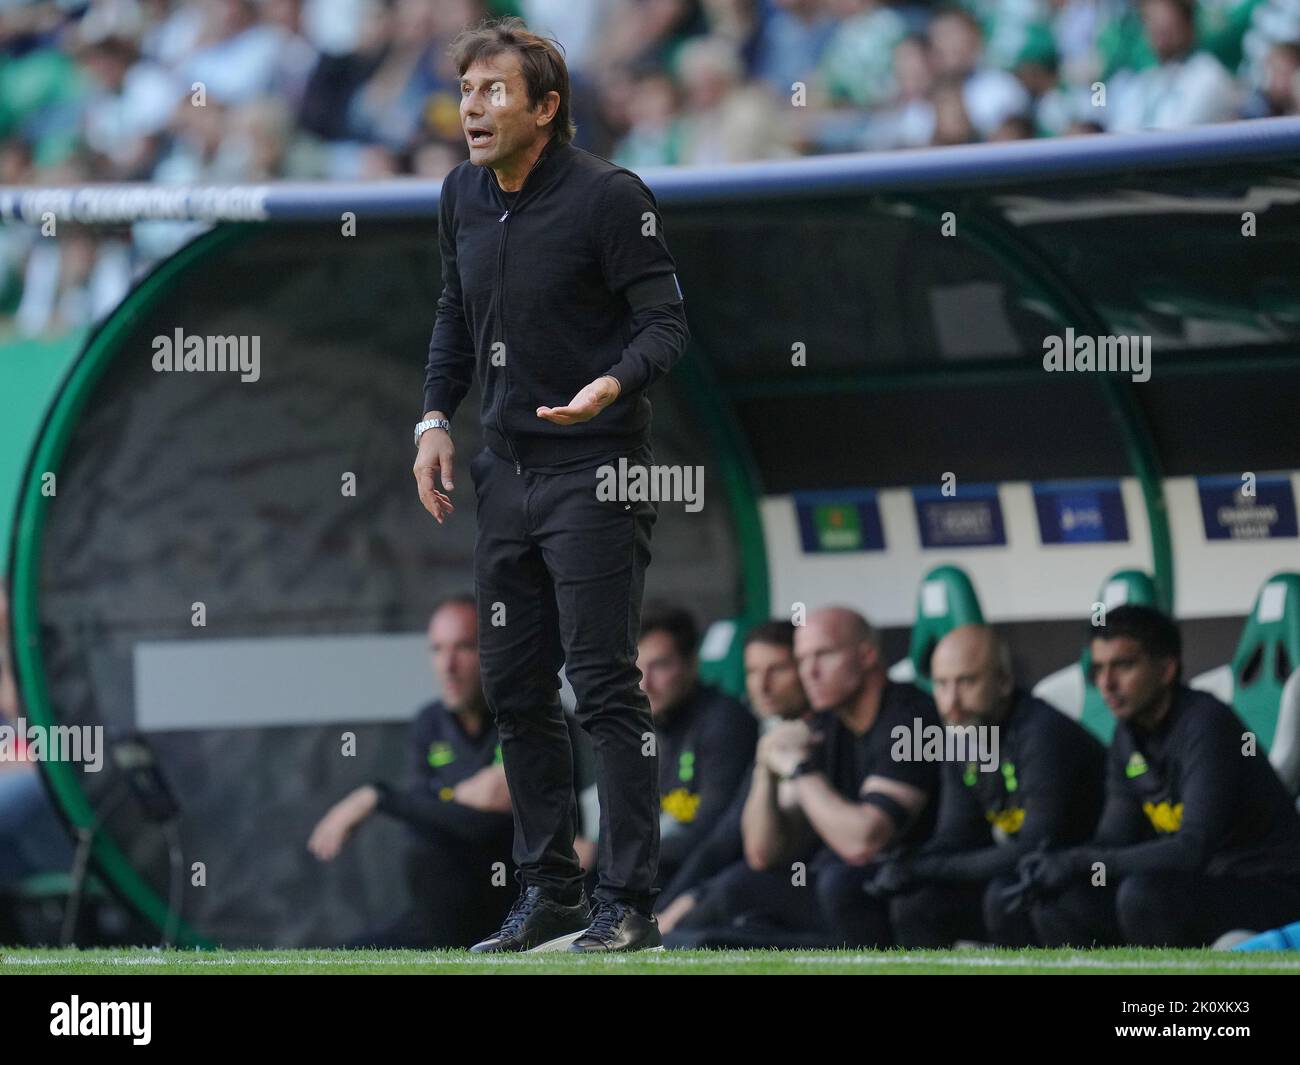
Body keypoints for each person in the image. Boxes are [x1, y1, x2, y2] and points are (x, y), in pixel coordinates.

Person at [412, 16, 689, 953]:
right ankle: (552, 890)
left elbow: (665, 325)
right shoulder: (460, 194)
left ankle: (630, 904)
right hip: (506, 472)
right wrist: (433, 418)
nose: (474, 109)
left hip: (596, 467)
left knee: (603, 682)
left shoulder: (611, 197)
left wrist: (614, 381)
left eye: (493, 92)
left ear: (547, 107)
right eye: (466, 93)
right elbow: (454, 311)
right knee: (516, 687)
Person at [1015, 605, 1300, 947]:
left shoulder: (1206, 723)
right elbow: (1113, 840)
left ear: (1165, 669)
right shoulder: (1127, 734)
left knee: (1145, 895)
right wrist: (1056, 864)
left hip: (1268, 889)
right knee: (1060, 900)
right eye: (1099, 669)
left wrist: (1079, 862)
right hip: (1201, 885)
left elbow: (1191, 849)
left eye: (1123, 665)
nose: (1106, 683)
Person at [671, 607, 942, 947]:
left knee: (837, 880)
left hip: (913, 887)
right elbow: (762, 853)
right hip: (847, 888)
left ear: (867, 655)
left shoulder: (911, 718)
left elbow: (863, 842)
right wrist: (765, 769)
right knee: (736, 887)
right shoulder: (826, 724)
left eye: (823, 656)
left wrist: (799, 768)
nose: (809, 672)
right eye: (801, 660)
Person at [870, 624, 1105, 947]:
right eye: (941, 684)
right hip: (1026, 876)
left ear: (1004, 681)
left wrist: (925, 867)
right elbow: (957, 836)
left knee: (1002, 895)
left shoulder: (1042, 733)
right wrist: (905, 861)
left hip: (1086, 880)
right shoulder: (963, 736)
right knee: (916, 900)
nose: (952, 700)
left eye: (967, 682)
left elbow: (1034, 848)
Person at [307, 595, 515, 948]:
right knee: (336, 956)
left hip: (515, 909)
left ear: (493, 651)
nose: (447, 665)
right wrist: (453, 800)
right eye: (436, 650)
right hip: (440, 911)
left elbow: (500, 829)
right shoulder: (428, 723)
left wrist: (382, 797)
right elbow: (423, 815)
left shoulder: (531, 720)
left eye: (463, 647)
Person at [656, 619, 811, 933]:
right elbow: (725, 837)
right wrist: (667, 909)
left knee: (724, 897)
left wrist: (689, 899)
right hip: (760, 878)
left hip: (813, 883)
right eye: (753, 672)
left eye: (778, 669)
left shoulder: (730, 720)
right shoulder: (773, 736)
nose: (762, 685)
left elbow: (730, 841)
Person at [636, 604, 757, 891]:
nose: (645, 683)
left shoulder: (726, 721)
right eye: (637, 668)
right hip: (665, 864)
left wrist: (616, 858)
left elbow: (711, 833)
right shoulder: (648, 724)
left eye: (660, 666)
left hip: (715, 874)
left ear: (692, 664)